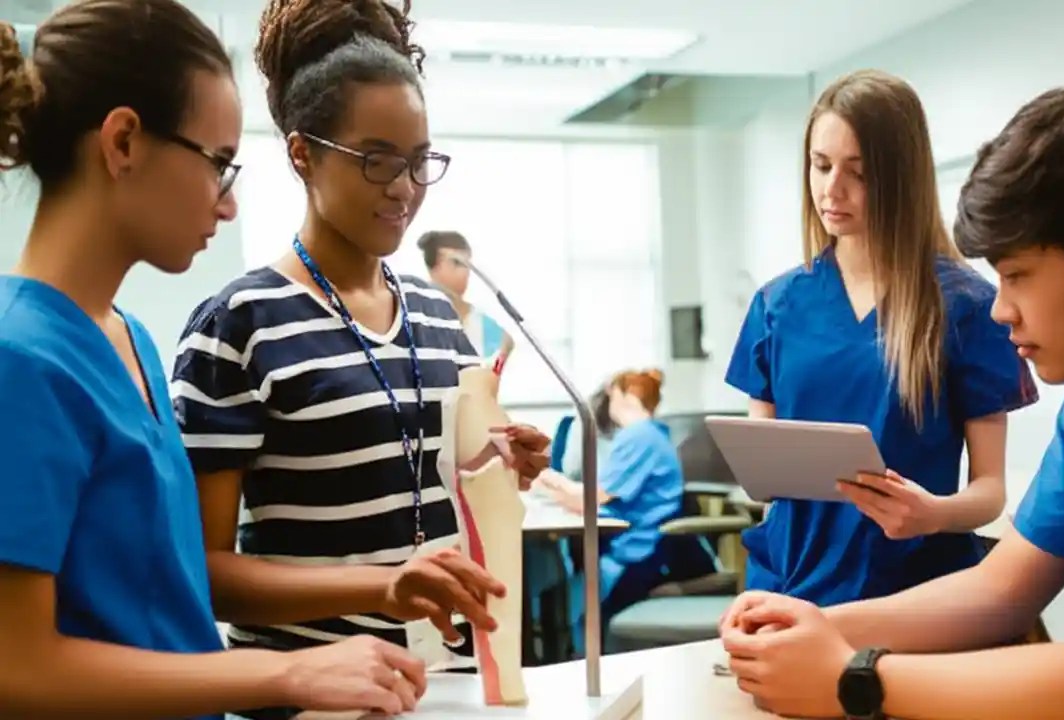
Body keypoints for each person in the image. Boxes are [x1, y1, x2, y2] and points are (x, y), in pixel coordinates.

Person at [719, 82, 1064, 719]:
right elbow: (999, 591)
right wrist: (812, 624)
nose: (999, 308)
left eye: (1017, 276)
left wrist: (851, 677)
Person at [0, 2, 436, 718]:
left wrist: (380, 588)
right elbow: (15, 667)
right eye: (217, 166)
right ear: (123, 143)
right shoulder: (19, 362)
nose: (228, 207)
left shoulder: (130, 340)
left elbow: (164, 598)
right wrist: (284, 676)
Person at [169, 0, 549, 714]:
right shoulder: (239, 326)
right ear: (302, 153)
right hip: (312, 696)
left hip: (448, 688)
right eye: (377, 160)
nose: (404, 188)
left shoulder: (438, 315)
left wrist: (500, 465)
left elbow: (442, 487)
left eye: (418, 163)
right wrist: (383, 584)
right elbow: (203, 572)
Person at [725, 69, 1037, 608]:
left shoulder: (965, 307)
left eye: (858, 172)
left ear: (901, 178)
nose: (831, 189)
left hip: (913, 598)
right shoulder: (777, 305)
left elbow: (990, 492)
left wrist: (930, 514)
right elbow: (766, 479)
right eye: (820, 166)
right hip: (788, 589)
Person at [536, 369, 686, 649]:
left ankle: (577, 663)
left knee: (572, 609)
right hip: (635, 543)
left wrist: (540, 474)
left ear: (624, 396)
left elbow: (592, 498)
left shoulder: (639, 437)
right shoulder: (652, 434)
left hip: (634, 552)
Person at [418, 229, 515, 372]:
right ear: (434, 267)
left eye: (468, 264)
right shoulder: (416, 313)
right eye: (456, 263)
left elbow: (504, 348)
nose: (465, 271)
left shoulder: (479, 322)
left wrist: (494, 372)